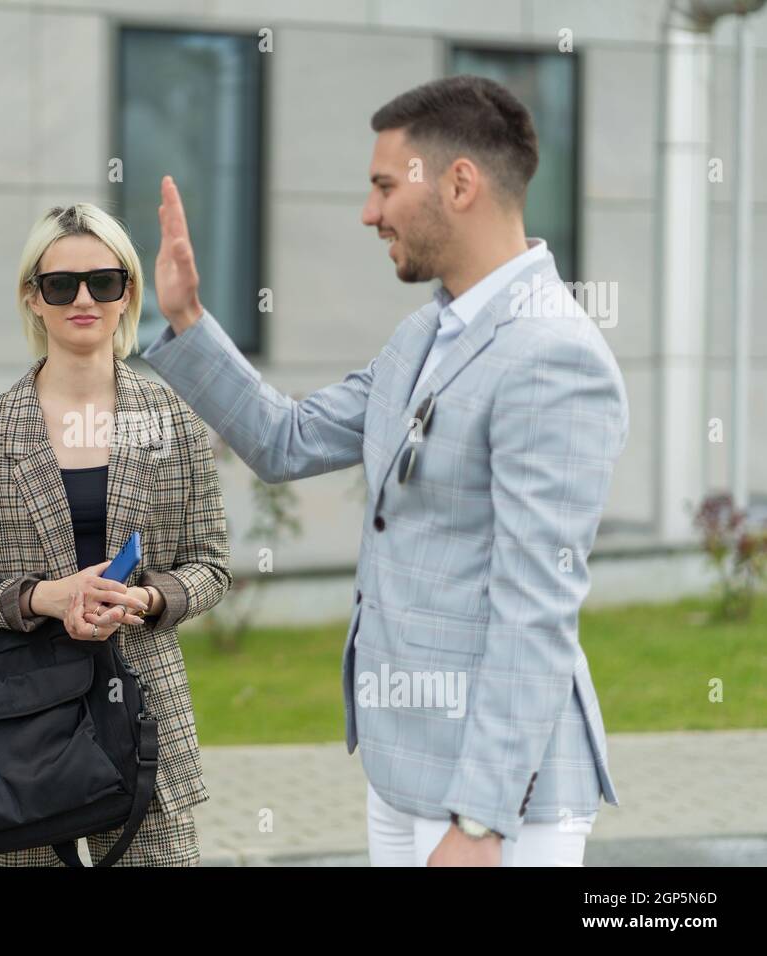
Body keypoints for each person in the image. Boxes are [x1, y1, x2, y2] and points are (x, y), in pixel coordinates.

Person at [143, 75, 628, 867]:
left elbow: (535, 604)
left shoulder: (554, 356)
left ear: (460, 182)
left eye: (381, 186)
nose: (369, 214)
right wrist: (189, 321)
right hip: (402, 776)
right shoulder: (423, 336)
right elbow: (284, 440)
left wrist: (480, 824)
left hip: (501, 802)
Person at [0, 203, 232, 866]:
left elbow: (211, 564)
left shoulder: (173, 418)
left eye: (105, 280)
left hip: (147, 714)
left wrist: (148, 599)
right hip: (22, 730)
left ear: (129, 293)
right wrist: (44, 597)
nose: (85, 299)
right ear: (32, 299)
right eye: (62, 285)